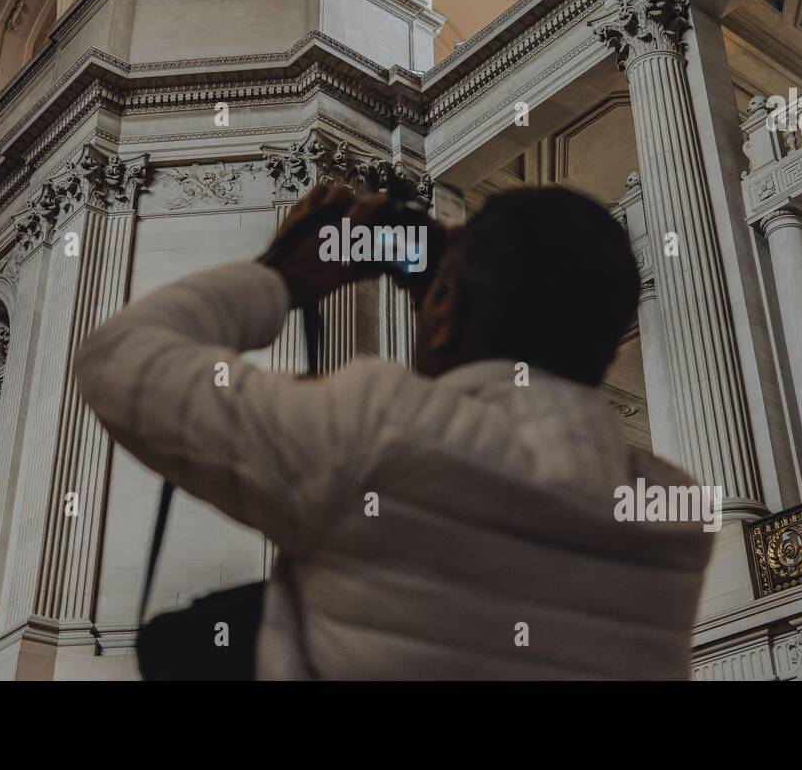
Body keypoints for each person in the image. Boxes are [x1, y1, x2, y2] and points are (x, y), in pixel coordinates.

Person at [75, 183, 712, 679]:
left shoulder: (376, 428)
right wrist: (455, 283)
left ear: (443, 318)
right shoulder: (674, 517)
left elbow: (119, 359)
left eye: (435, 299)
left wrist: (283, 274)